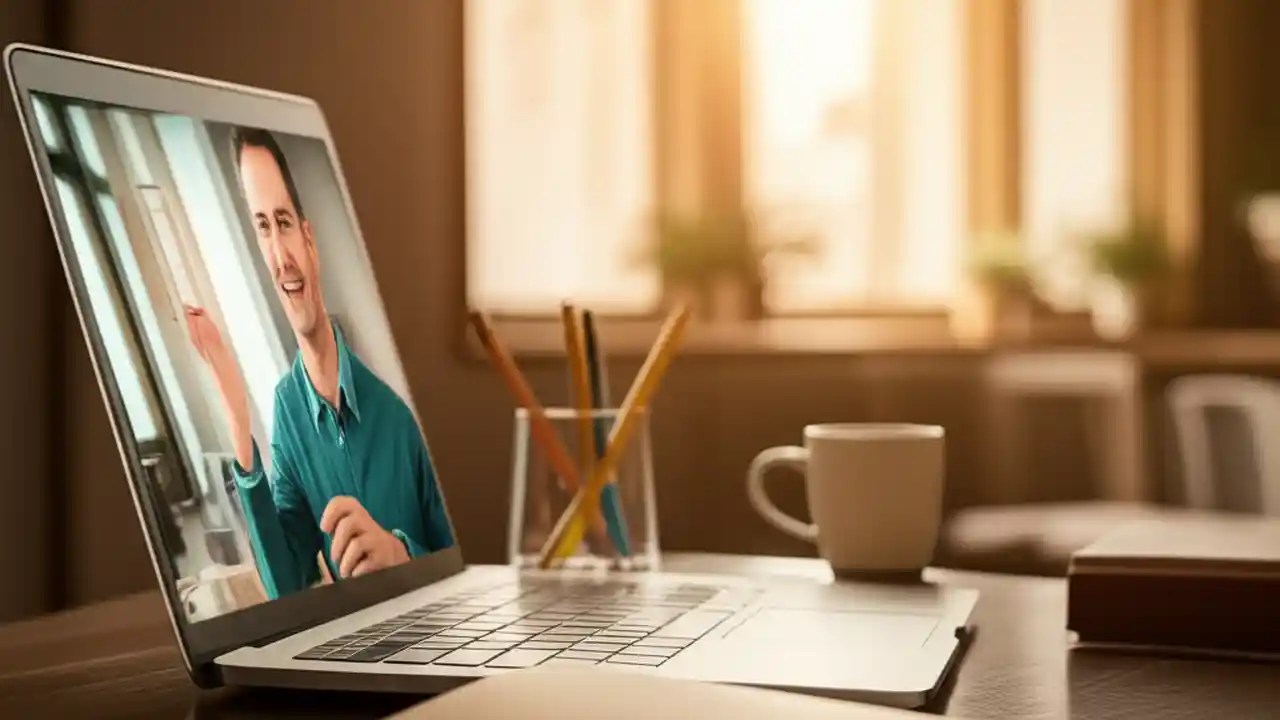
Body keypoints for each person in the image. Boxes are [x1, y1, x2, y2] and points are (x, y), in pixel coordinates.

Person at [184, 128, 452, 599]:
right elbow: (285, 584)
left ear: (309, 240)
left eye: (284, 222)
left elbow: (467, 568)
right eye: (262, 227)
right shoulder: (287, 411)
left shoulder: (401, 410)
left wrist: (401, 556)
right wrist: (236, 414)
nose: (281, 257)